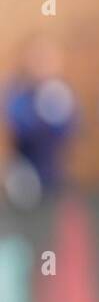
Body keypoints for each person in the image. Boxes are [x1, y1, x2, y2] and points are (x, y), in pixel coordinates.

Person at [2, 36, 78, 205]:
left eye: (48, 59)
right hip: (21, 178)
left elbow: (71, 131)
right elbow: (16, 131)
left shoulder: (60, 92)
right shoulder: (16, 93)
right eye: (38, 58)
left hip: (55, 178)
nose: (43, 65)